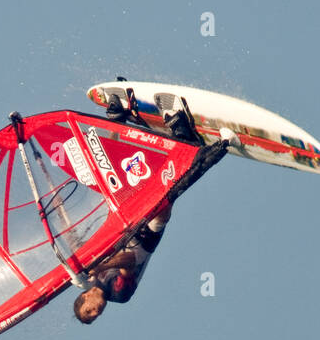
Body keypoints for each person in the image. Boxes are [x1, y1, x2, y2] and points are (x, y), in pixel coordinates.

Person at [73, 133, 230, 324]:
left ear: (85, 296)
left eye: (88, 311)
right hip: (144, 239)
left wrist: (77, 259)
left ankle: (115, 133)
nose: (96, 313)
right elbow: (129, 261)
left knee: (115, 181)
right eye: (94, 317)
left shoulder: (87, 279)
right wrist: (101, 266)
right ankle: (212, 149)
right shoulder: (119, 294)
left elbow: (73, 239)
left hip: (122, 227)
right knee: (164, 198)